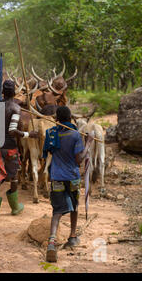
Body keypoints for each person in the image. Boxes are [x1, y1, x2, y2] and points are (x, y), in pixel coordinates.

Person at [43, 105, 94, 262]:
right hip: (72, 178)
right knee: (74, 206)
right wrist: (88, 144)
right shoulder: (75, 135)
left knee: (57, 210)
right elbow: (79, 159)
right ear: (70, 118)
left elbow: (48, 153)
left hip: (57, 177)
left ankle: (51, 242)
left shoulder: (51, 133)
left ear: (57, 118)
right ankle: (72, 236)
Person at [0, 79, 39, 228]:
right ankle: (15, 208)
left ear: (2, 92)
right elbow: (12, 131)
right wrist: (30, 134)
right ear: (14, 92)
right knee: (14, 176)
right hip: (10, 147)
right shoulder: (16, 108)